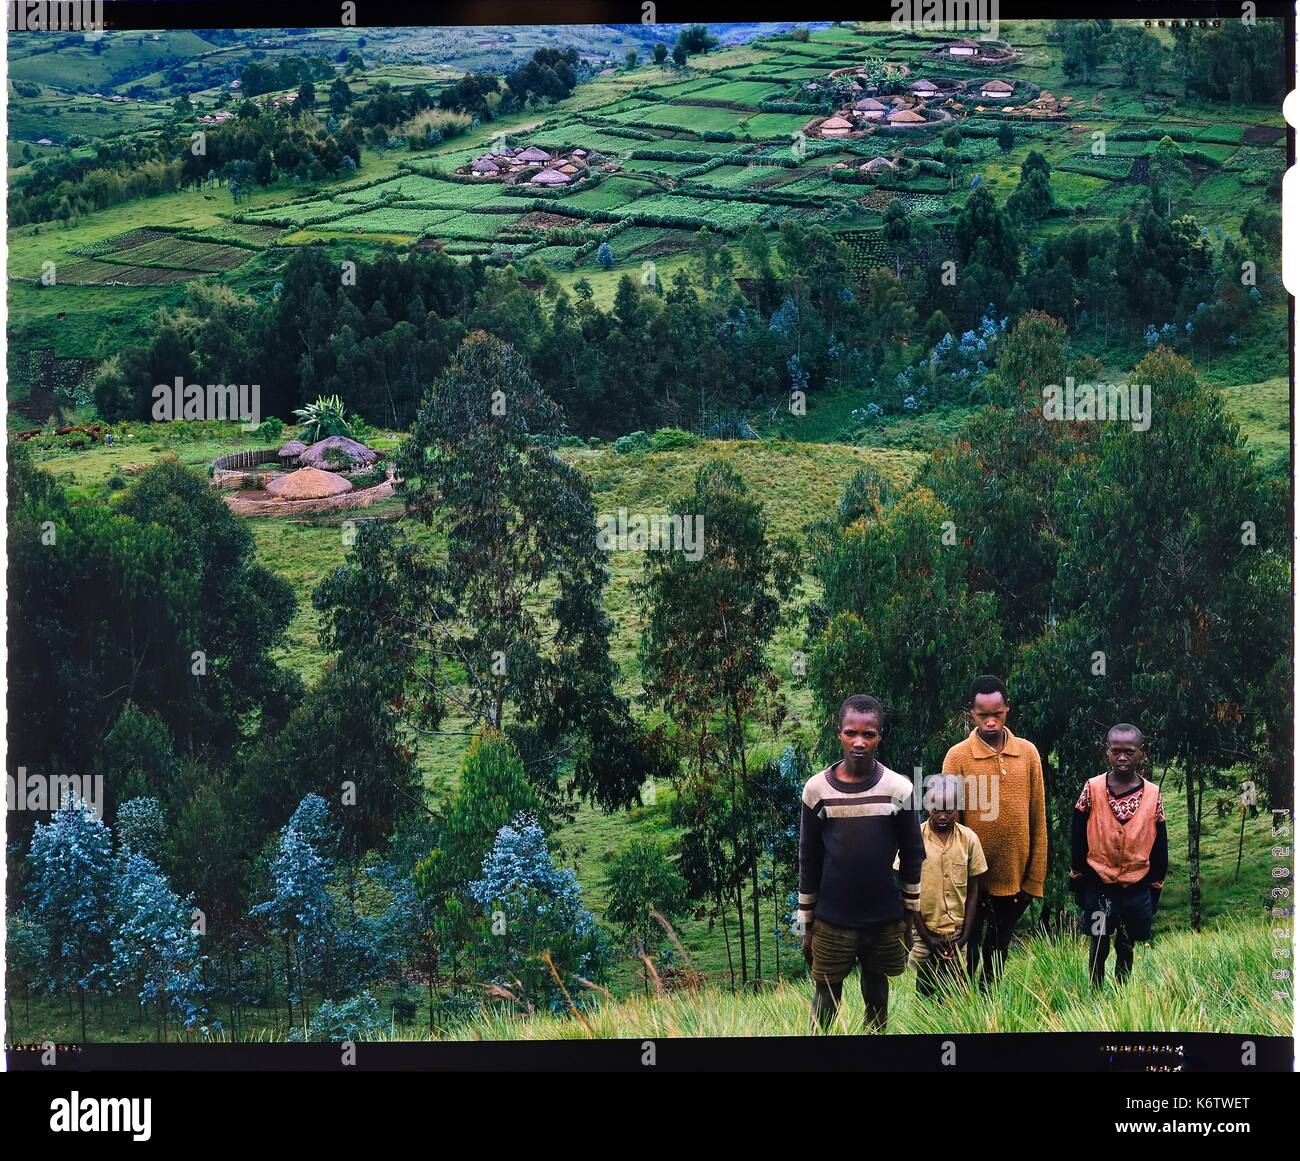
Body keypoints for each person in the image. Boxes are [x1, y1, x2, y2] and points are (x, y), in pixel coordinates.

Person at [799, 694, 925, 1031]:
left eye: (868, 735)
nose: (859, 742)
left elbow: (914, 855)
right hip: (831, 918)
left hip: (883, 918)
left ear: (879, 736)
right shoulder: (816, 790)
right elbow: (808, 859)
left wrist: (908, 920)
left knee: (877, 995)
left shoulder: (899, 789)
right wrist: (806, 923)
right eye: (851, 733)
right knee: (825, 997)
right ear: (838, 732)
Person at [942, 674, 1047, 986]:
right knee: (967, 950)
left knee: (998, 950)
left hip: (1015, 882)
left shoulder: (1028, 753)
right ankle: (961, 1012)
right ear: (971, 714)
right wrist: (954, 881)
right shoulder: (957, 757)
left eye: (996, 714)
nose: (990, 722)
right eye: (982, 715)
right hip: (972, 883)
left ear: (1007, 710)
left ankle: (991, 1014)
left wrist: (1034, 880)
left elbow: (1037, 818)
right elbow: (948, 826)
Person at [1069, 724, 1167, 988]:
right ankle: (1096, 993)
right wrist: (1078, 877)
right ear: (1107, 752)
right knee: (1099, 942)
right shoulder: (1092, 788)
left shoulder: (1153, 795)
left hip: (1135, 889)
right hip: (1100, 887)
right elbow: (1077, 834)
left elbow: (1160, 845)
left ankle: (1123, 996)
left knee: (1126, 943)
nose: (1122, 757)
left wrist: (1155, 886)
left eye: (1129, 751)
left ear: (1140, 753)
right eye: (1116, 751)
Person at [904, 773, 987, 997]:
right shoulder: (913, 839)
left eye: (949, 810)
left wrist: (965, 935)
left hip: (957, 931)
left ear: (958, 807)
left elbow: (973, 891)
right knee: (925, 985)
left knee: (956, 985)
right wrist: (926, 936)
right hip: (924, 930)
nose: (942, 816)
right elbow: (907, 891)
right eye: (936, 809)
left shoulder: (969, 839)